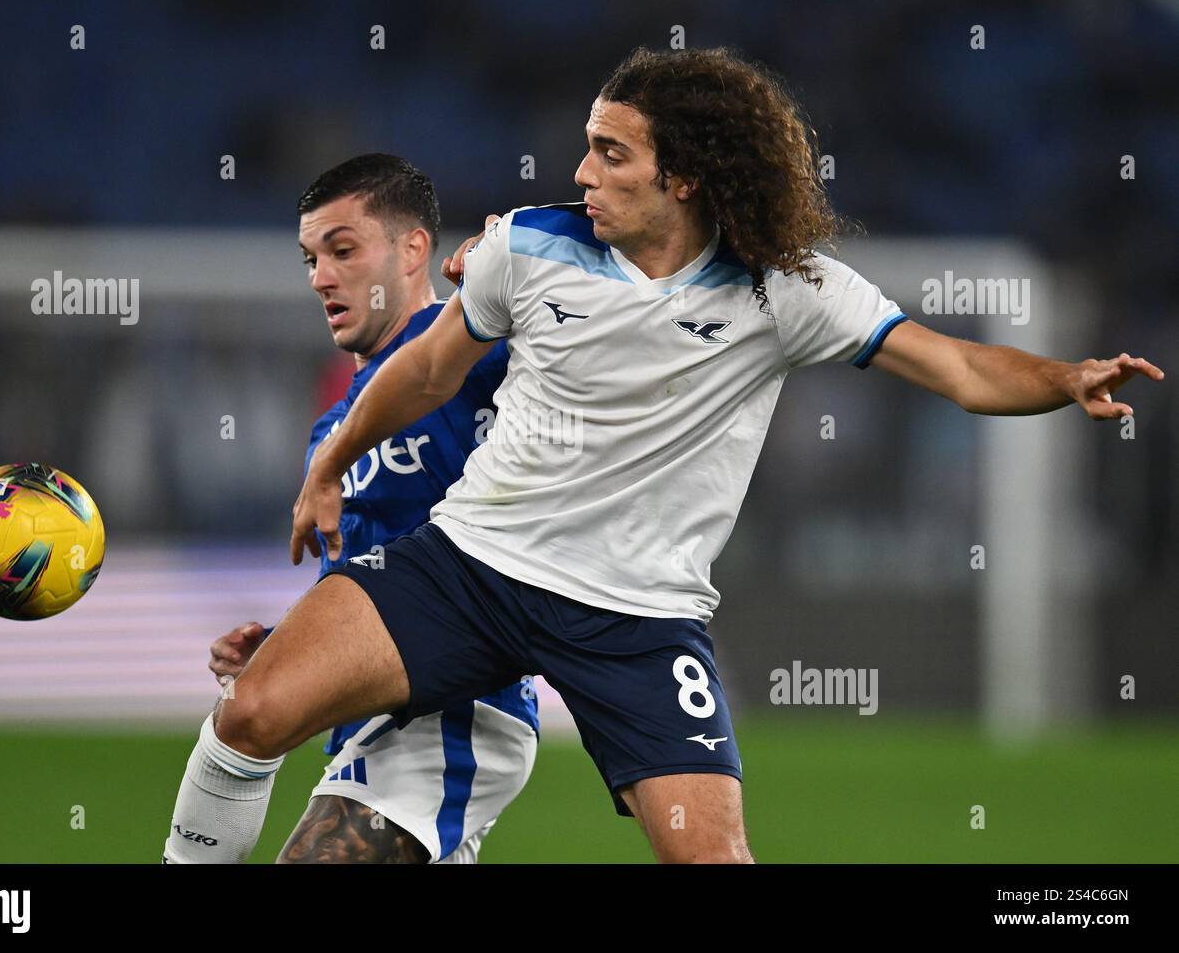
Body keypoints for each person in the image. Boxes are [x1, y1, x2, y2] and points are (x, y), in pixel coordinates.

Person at [165, 47, 1164, 864]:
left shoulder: (788, 290)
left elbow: (955, 366)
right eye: (585, 149)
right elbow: (423, 371)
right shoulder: (529, 248)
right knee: (253, 708)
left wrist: (1061, 378)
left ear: (681, 175)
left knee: (711, 860)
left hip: (635, 619)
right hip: (472, 566)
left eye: (609, 153)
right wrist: (330, 460)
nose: (582, 173)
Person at [163, 154, 536, 864]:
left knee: (247, 725)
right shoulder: (329, 435)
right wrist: (287, 641)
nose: (320, 278)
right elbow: (372, 577)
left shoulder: (482, 359)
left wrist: (527, 265)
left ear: (413, 248)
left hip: (452, 714)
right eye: (310, 259)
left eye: (342, 250)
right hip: (369, 729)